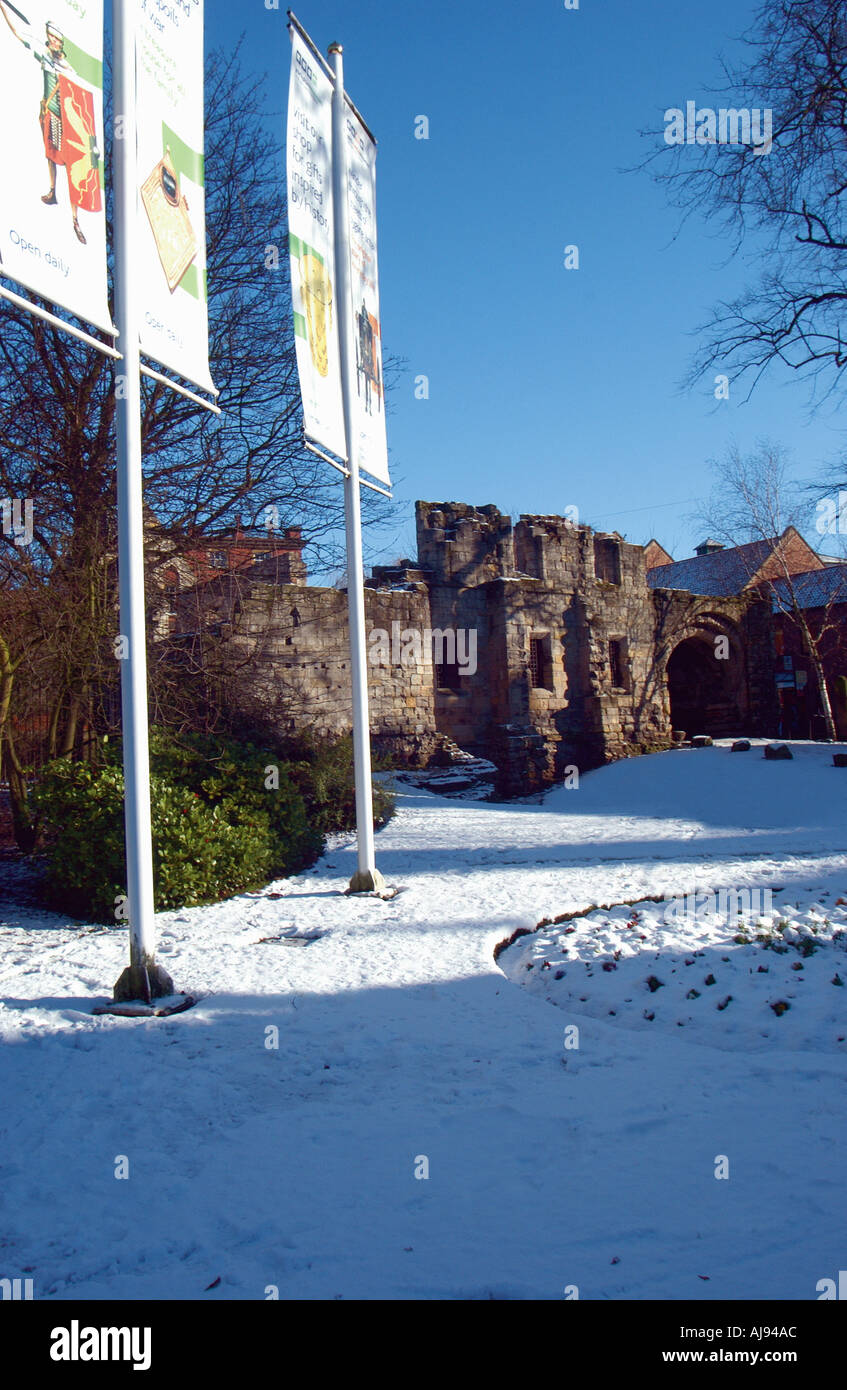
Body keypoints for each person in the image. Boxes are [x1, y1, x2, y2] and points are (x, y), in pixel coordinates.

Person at [0, 6, 99, 244]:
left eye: (57, 39)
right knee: (50, 154)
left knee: (73, 165)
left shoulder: (68, 67)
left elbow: (76, 94)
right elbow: (18, 32)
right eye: (51, 37)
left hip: (68, 120)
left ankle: (75, 218)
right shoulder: (43, 54)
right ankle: (54, 191)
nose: (54, 41)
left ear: (61, 42)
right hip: (50, 113)